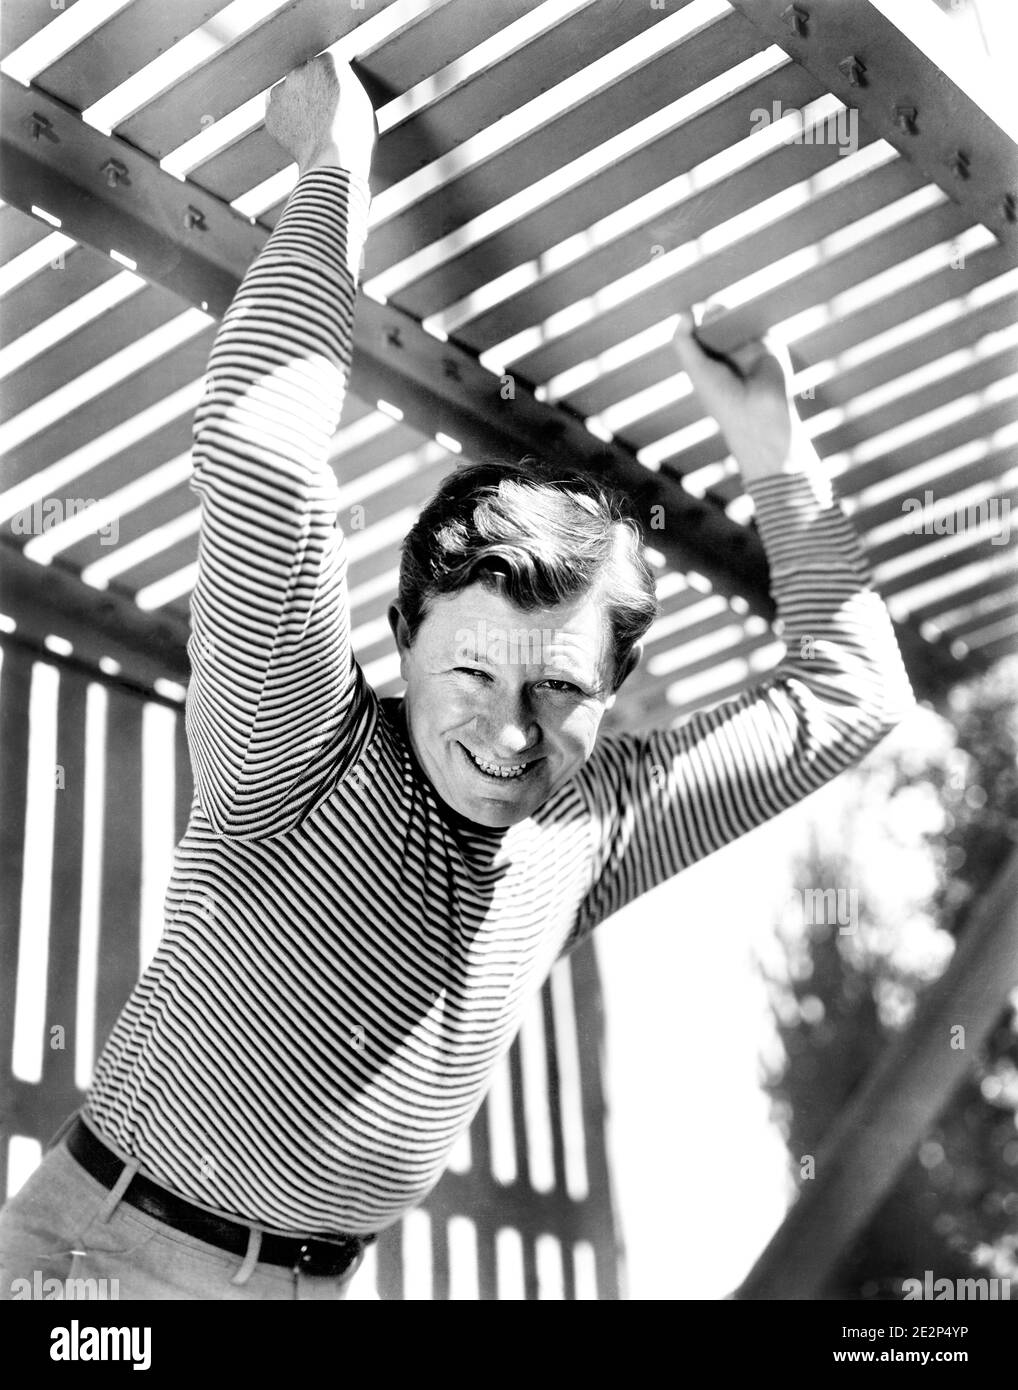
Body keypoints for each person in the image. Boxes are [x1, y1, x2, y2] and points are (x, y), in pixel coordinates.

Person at [0, 54, 914, 1301]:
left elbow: (851, 693)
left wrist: (774, 451)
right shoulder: (300, 739)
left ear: (608, 690)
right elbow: (262, 449)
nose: (506, 733)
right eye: (473, 671)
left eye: (559, 691)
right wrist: (335, 165)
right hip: (96, 1271)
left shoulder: (588, 827)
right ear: (402, 633)